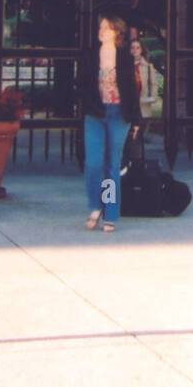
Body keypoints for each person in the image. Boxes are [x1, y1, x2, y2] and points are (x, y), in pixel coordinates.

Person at [82, 12, 141, 232]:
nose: (101, 31)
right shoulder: (90, 55)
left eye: (106, 28)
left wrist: (135, 120)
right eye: (100, 27)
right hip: (95, 115)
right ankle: (95, 206)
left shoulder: (125, 57)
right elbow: (83, 85)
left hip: (119, 114)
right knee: (93, 163)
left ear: (116, 32)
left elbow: (132, 90)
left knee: (112, 165)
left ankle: (110, 213)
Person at [130, 37, 164, 120]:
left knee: (141, 131)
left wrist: (152, 98)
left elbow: (154, 85)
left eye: (138, 48)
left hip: (143, 106)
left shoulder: (148, 67)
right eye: (132, 48)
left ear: (141, 50)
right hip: (128, 108)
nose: (135, 50)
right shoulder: (124, 67)